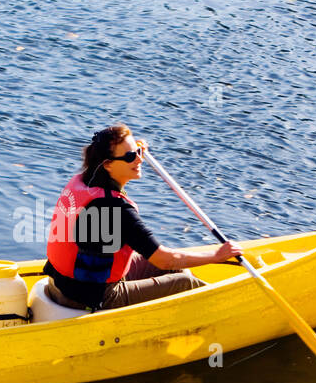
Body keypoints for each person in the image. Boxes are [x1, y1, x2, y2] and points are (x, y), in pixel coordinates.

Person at [43, 125, 242, 311]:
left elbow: (103, 150)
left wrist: (134, 149)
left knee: (180, 270)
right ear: (108, 165)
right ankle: (233, 311)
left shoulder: (86, 181)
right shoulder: (116, 209)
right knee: (185, 282)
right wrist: (217, 256)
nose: (139, 160)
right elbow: (165, 260)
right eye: (131, 156)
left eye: (138, 153)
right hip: (91, 297)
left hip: (60, 283)